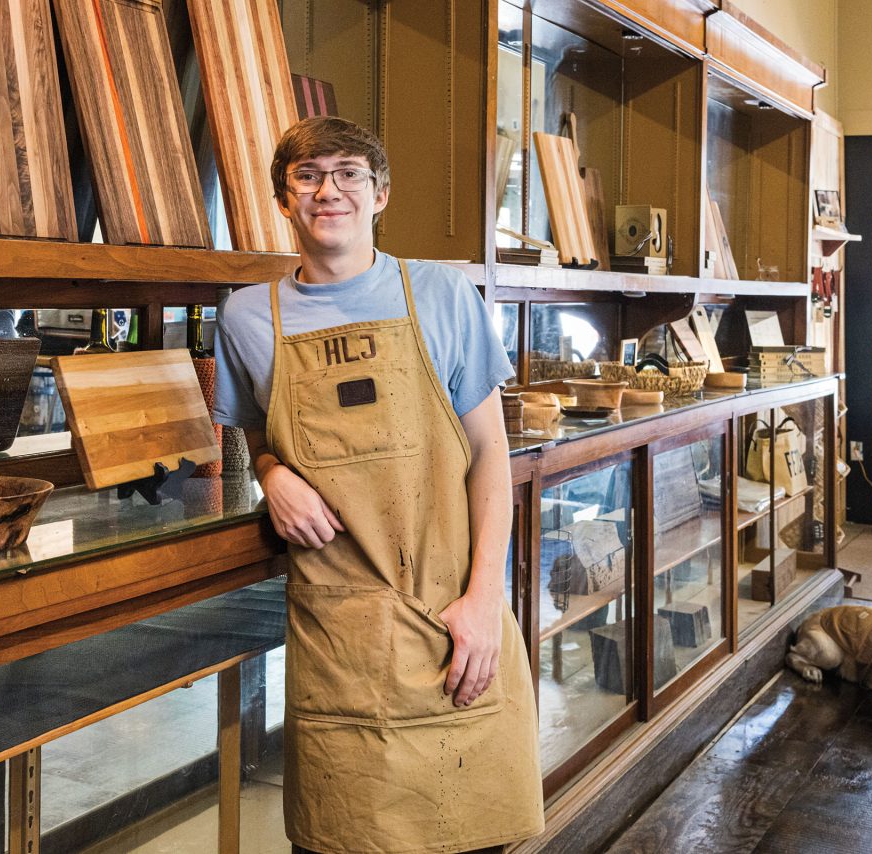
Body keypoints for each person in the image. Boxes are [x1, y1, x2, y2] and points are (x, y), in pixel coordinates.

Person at [213, 116, 544, 854]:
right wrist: (271, 476)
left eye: (349, 174)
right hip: (340, 634)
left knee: (471, 834)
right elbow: (259, 436)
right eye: (308, 176)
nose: (329, 190)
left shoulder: (442, 294)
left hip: (453, 615)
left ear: (381, 193)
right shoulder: (246, 317)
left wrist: (484, 601)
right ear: (283, 199)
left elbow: (491, 452)